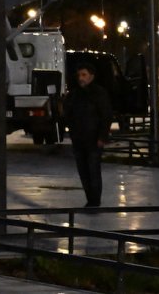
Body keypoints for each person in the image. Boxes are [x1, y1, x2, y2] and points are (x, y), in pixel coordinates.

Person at [64, 62, 113, 207]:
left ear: (91, 76)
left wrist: (102, 137)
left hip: (93, 139)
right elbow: (68, 114)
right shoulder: (74, 94)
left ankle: (94, 200)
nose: (81, 78)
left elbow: (106, 116)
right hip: (79, 139)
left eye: (84, 75)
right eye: (79, 75)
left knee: (93, 170)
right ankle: (90, 199)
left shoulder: (99, 93)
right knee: (83, 171)